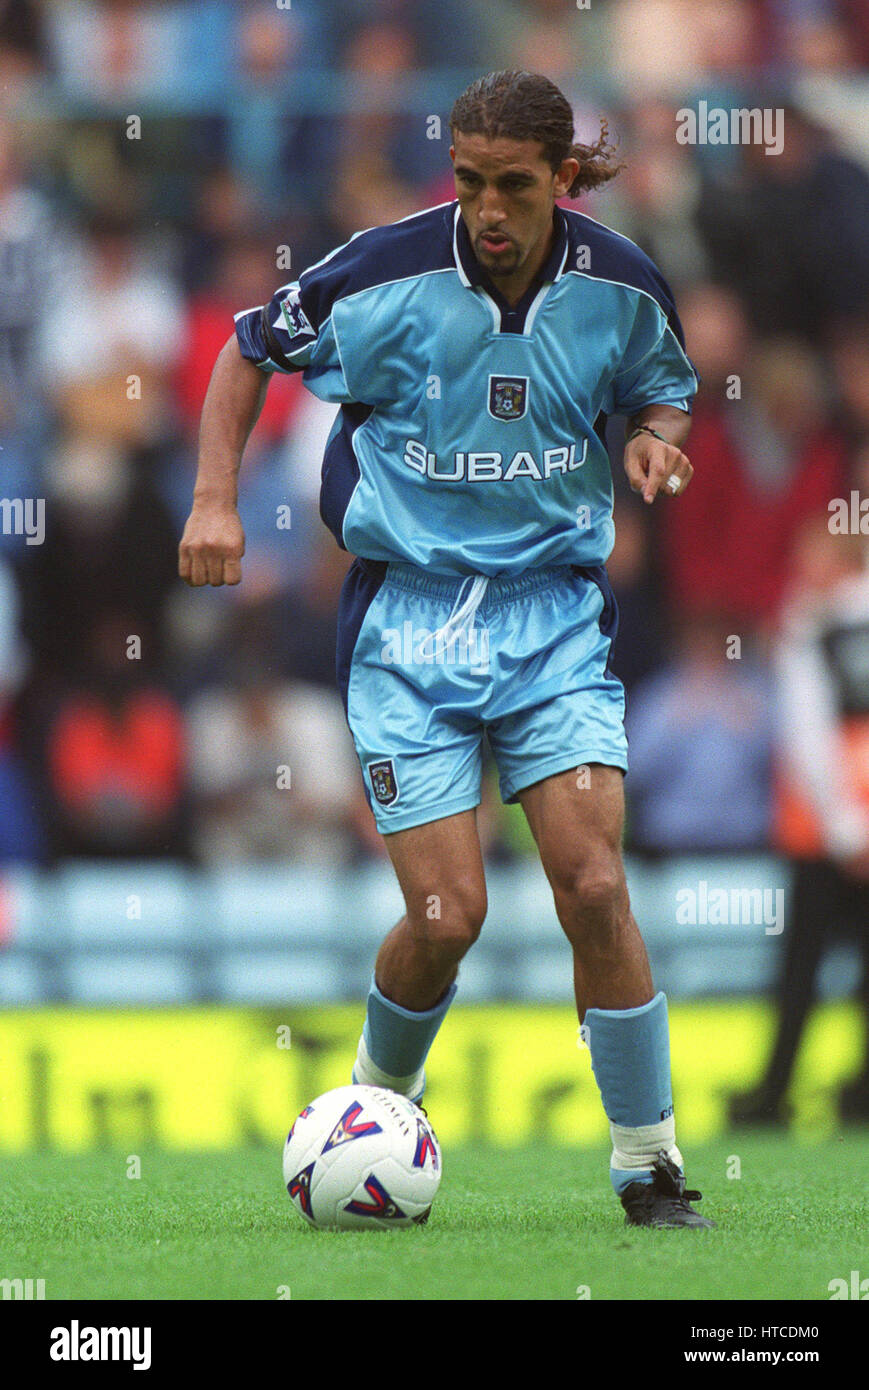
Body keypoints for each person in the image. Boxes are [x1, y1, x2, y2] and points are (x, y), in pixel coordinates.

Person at [179, 71, 713, 1229]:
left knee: (591, 879)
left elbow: (666, 396)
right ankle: (374, 1107)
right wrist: (214, 500)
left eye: (512, 185)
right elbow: (241, 353)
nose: (486, 210)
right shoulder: (381, 272)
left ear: (562, 179)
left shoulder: (619, 284)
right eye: (468, 181)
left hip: (550, 616)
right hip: (407, 622)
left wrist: (657, 448)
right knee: (446, 919)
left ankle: (648, 1166)